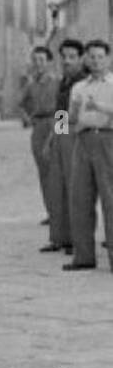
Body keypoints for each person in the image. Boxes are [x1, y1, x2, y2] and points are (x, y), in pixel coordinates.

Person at [63, 38, 113, 273]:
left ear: (108, 58)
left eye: (99, 56)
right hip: (82, 141)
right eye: (91, 56)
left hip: (108, 140)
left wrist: (101, 110)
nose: (95, 61)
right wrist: (60, 135)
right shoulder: (77, 87)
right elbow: (67, 114)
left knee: (110, 199)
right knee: (79, 198)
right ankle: (83, 257)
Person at [41, 38, 87, 254]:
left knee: (74, 190)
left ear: (81, 58)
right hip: (62, 135)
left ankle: (75, 240)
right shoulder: (65, 81)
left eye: (72, 57)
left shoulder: (84, 82)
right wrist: (53, 138)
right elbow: (60, 112)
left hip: (77, 136)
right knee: (56, 187)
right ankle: (59, 238)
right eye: (64, 57)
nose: (67, 61)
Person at [18, 45, 58, 222]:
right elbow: (20, 104)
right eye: (35, 60)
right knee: (43, 171)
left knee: (58, 171)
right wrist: (27, 118)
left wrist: (61, 132)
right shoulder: (31, 84)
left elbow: (64, 108)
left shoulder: (58, 82)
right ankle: (51, 212)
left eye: (42, 60)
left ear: (50, 62)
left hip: (55, 123)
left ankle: (61, 213)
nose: (38, 63)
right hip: (39, 126)